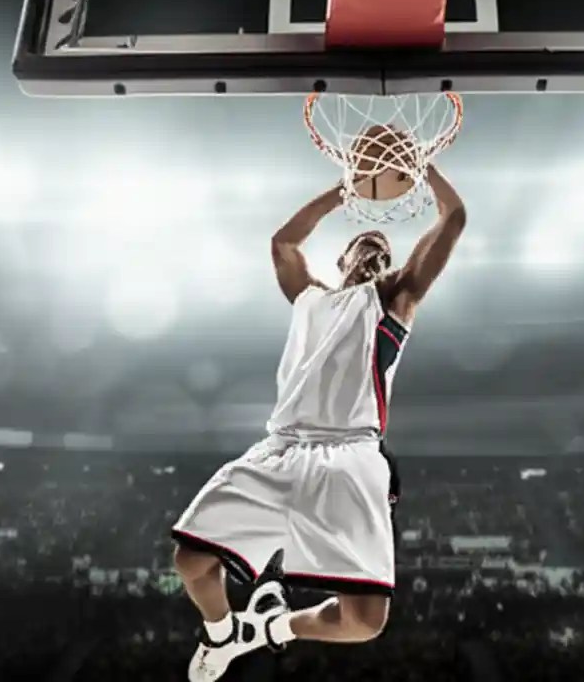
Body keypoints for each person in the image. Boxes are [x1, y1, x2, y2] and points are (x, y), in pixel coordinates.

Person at [170, 164, 467, 681]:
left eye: (384, 250)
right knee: (191, 561)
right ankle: (221, 633)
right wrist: (344, 192)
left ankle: (272, 629)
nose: (377, 251)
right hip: (281, 447)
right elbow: (283, 243)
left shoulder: (393, 299)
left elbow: (454, 217)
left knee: (365, 620)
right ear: (342, 258)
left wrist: (424, 167)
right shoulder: (309, 298)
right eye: (366, 244)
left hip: (350, 452)